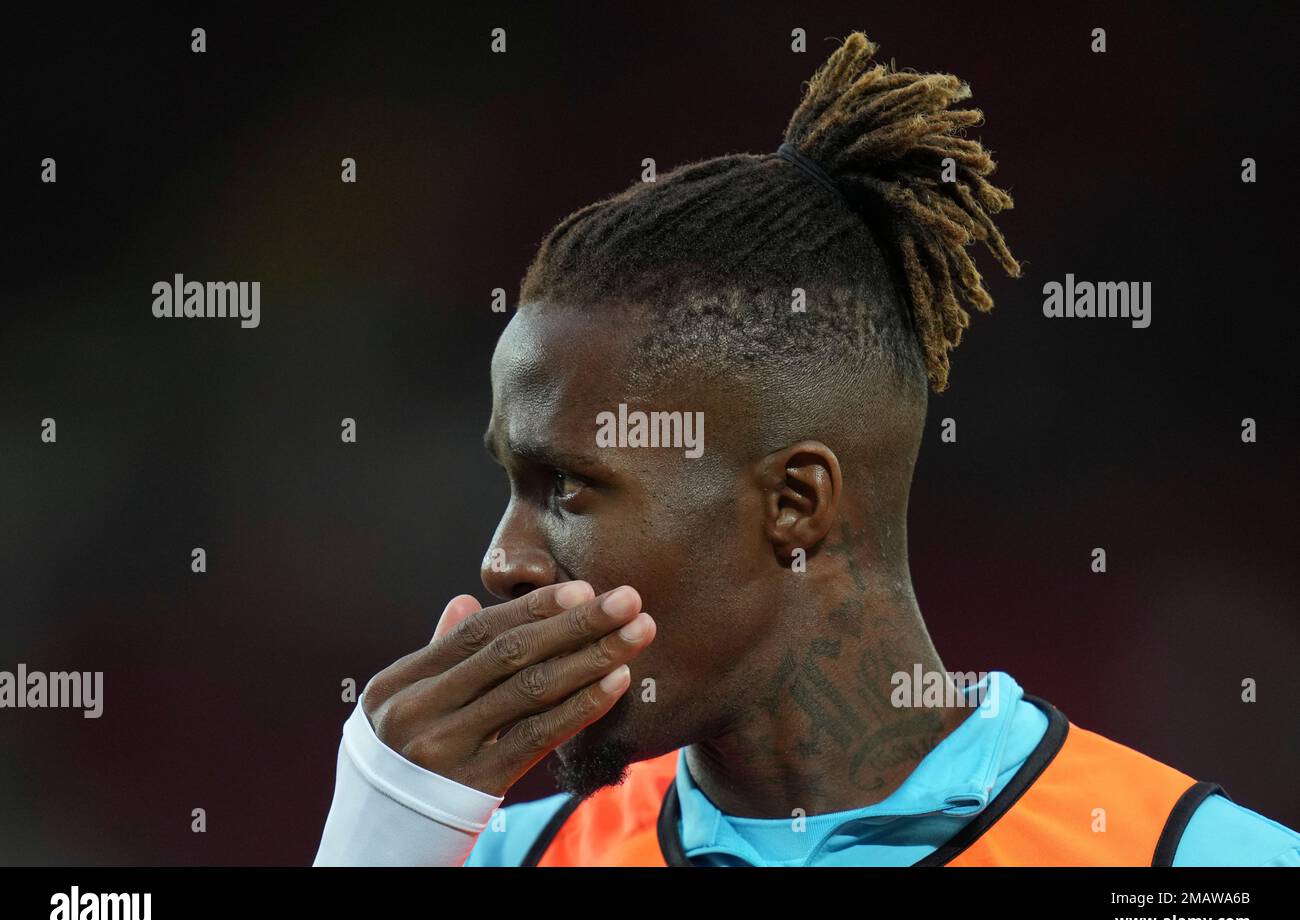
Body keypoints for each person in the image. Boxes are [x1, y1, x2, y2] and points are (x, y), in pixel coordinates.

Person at [313, 31, 1299, 866]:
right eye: (510, 483)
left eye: (566, 487)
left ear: (794, 503)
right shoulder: (485, 853)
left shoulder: (1187, 866)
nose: (502, 560)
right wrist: (376, 842)